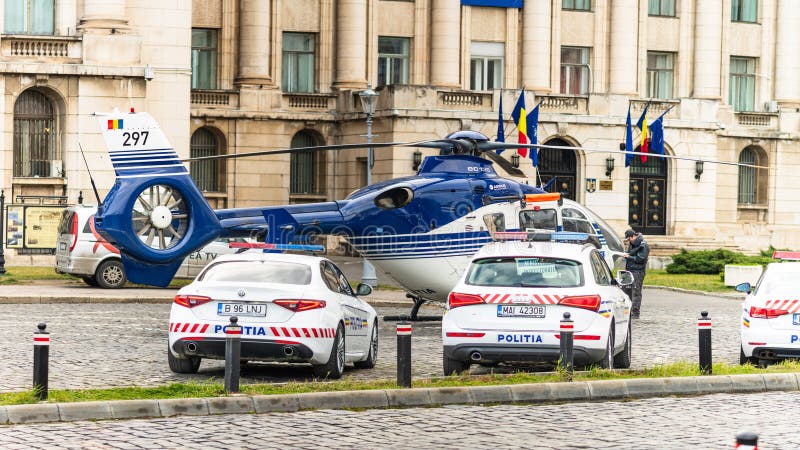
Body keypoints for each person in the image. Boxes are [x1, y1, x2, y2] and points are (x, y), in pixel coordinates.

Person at [623, 229, 649, 319]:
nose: (628, 241)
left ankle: (635, 312)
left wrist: (629, 257)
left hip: (638, 271)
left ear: (633, 236)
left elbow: (640, 259)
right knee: (626, 290)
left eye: (629, 239)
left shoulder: (643, 245)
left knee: (636, 292)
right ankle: (628, 311)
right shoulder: (633, 244)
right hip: (629, 270)